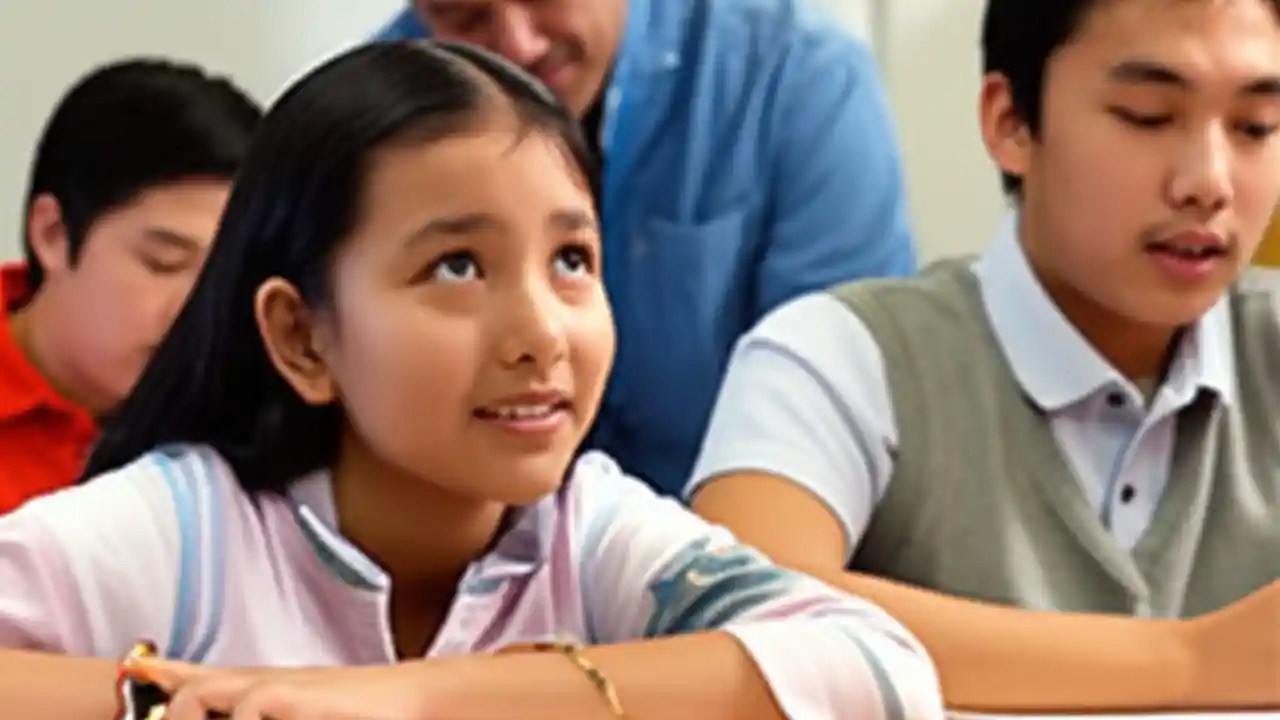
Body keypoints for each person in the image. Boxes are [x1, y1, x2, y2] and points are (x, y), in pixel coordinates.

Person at [0, 41, 943, 720]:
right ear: (302, 337)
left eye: (572, 260)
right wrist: (173, 702)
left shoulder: (587, 530)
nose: (541, 333)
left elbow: (877, 668)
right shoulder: (192, 529)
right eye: (455, 267)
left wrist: (413, 700)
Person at [688, 0, 1280, 712]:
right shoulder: (841, 355)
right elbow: (739, 607)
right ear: (1010, 123)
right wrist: (1194, 663)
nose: (1208, 183)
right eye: (1147, 115)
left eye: (1256, 128)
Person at [375, 0, 917, 495]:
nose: (518, 47)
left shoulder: (800, 75)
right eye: (463, 17)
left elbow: (837, 414)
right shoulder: (375, 115)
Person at [0, 59, 261, 514]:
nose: (196, 312)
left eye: (224, 276)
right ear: (53, 235)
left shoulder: (246, 415)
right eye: (164, 263)